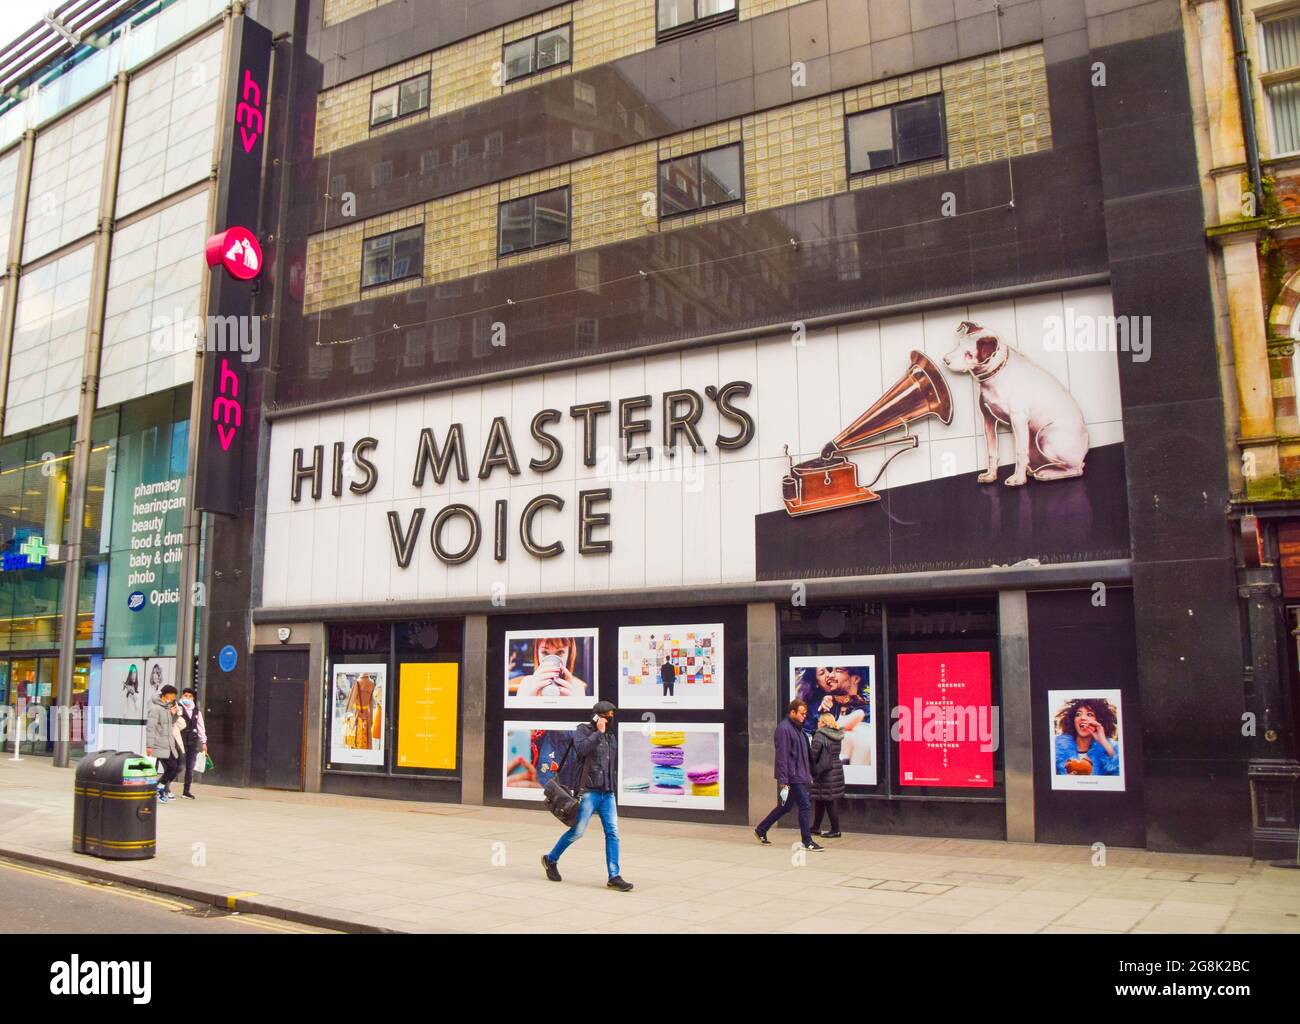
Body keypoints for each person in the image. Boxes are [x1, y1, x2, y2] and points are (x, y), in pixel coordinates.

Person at [541, 700, 634, 891]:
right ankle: (551, 859)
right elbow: (582, 750)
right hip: (589, 791)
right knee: (577, 831)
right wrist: (598, 732)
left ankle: (614, 876)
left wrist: (613, 787)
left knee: (613, 833)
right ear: (597, 716)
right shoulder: (584, 730)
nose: (611, 718)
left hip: (607, 793)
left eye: (612, 715)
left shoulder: (611, 736)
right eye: (607, 715)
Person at [754, 699, 823, 851]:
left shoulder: (798, 729)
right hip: (792, 777)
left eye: (805, 713)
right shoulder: (784, 729)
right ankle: (807, 841)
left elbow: (803, 755)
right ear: (792, 712)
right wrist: (784, 780)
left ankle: (761, 829)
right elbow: (782, 757)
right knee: (804, 805)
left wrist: (809, 773)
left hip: (798, 775)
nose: (804, 716)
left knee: (785, 807)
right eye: (802, 713)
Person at [1054, 698, 1120, 776]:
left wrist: (1103, 742)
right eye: (1078, 714)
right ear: (1073, 720)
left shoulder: (1110, 748)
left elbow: (1117, 772)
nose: (1083, 718)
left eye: (1090, 714)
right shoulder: (1056, 746)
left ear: (1099, 720)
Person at [514, 637, 589, 698]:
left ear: (569, 655)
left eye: (560, 652)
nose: (552, 662)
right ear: (537, 654)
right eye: (545, 652)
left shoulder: (577, 686)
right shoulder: (526, 684)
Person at [809, 712, 845, 838]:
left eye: (819, 721)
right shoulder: (837, 734)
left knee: (829, 801)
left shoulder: (820, 734)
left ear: (823, 723)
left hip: (824, 771)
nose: (818, 723)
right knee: (821, 798)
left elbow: (813, 754)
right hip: (835, 769)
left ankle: (836, 830)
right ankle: (816, 827)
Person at [145, 685, 183, 802]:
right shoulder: (155, 708)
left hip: (168, 743)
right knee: (172, 767)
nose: (173, 698)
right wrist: (150, 745)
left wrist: (174, 714)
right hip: (159, 743)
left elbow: (170, 724)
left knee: (176, 767)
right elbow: (151, 728)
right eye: (173, 695)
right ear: (166, 694)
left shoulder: (167, 707)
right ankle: (158, 788)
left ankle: (159, 787)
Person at [178, 688, 208, 800]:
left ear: (193, 698)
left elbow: (201, 728)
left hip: (192, 741)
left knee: (190, 767)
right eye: (185, 695)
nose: (187, 698)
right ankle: (166, 789)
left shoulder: (197, 712)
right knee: (177, 766)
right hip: (180, 741)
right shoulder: (177, 708)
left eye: (189, 696)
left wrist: (203, 742)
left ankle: (186, 791)